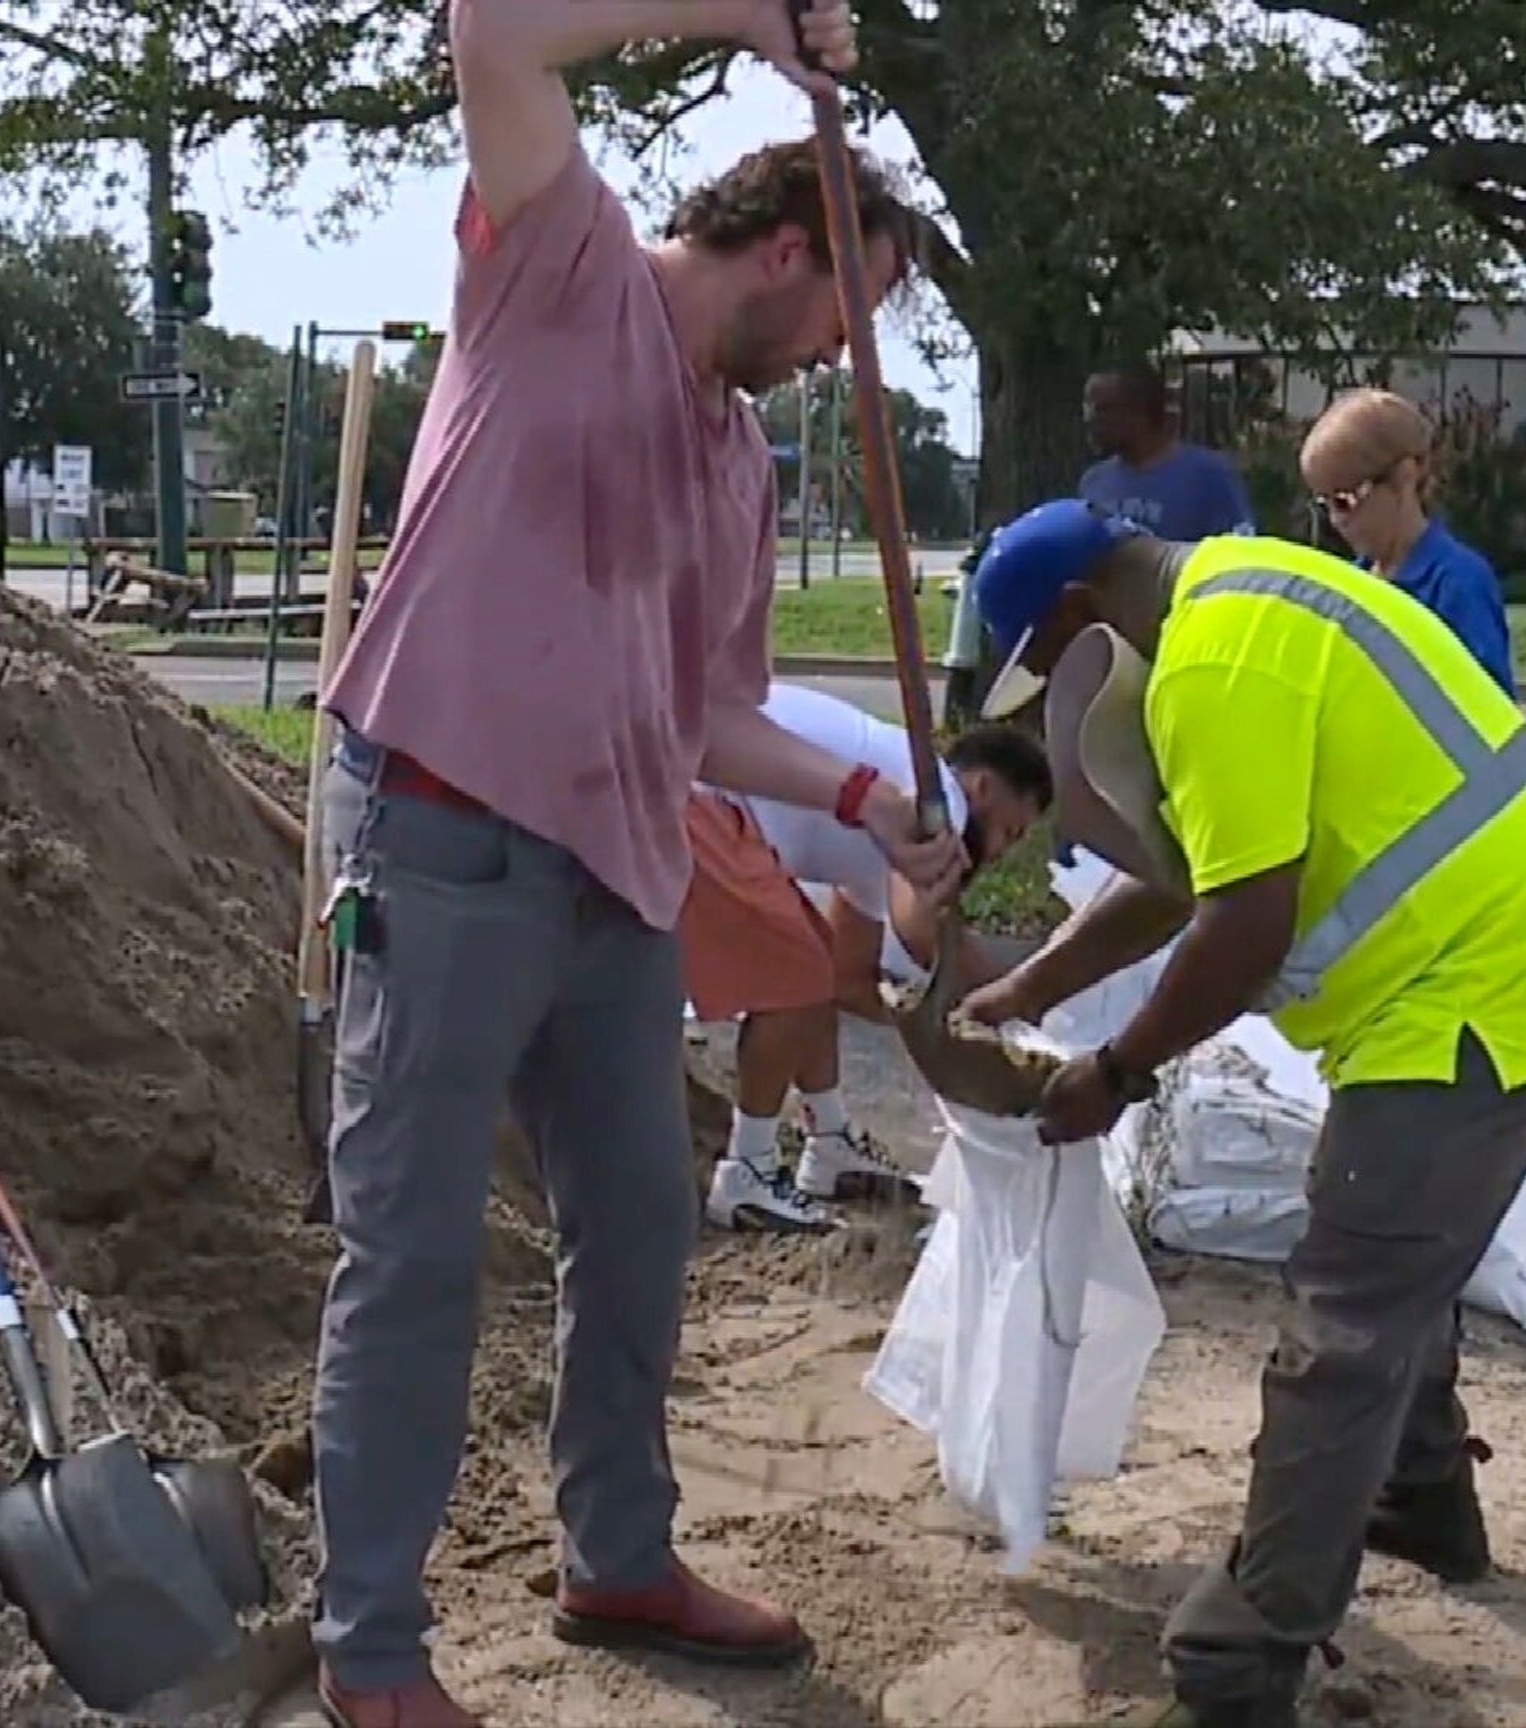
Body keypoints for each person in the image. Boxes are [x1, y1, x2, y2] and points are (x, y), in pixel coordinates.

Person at [304, 4, 969, 1724]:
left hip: (615, 865)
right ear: (775, 245)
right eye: (845, 313)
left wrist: (861, 792)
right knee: (416, 1244)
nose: (840, 357)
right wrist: (748, 14)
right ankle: (370, 1647)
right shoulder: (562, 262)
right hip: (441, 835)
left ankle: (618, 1550)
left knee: (640, 1222)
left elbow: (712, 711)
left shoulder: (734, 461)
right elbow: (495, 28)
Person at [957, 499, 1526, 1728]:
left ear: (1080, 621)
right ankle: (1416, 1496)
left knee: (1347, 1305)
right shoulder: (1245, 597)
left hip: (1491, 980)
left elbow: (1244, 925)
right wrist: (1025, 989)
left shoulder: (1210, 670)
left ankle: (1240, 1658)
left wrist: (1116, 1070)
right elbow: (1186, 877)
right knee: (1401, 1246)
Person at [682, 683, 1055, 1233]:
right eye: (1009, 831)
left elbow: (847, 977)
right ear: (981, 789)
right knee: (793, 978)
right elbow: (926, 936)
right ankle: (748, 1171)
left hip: (721, 798)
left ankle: (829, 1142)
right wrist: (1028, 1000)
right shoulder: (937, 798)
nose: (997, 856)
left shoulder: (886, 821)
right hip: (706, 798)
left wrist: (941, 1027)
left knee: (811, 969)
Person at [1301, 388, 1516, 696]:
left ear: (1404, 476)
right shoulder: (1351, 585)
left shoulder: (1457, 583)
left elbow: (1490, 709)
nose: (1336, 520)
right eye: (1325, 505)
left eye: (1346, 500)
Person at [1080, 365, 1257, 542]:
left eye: (1102, 410)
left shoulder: (1209, 474)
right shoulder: (1093, 481)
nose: (1089, 420)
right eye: (1087, 409)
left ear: (1139, 411)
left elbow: (1236, 551)